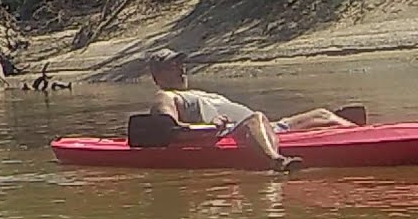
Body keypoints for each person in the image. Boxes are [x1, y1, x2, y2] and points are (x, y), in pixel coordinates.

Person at [146, 48, 354, 171]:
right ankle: (276, 160)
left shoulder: (202, 93)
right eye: (172, 66)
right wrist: (206, 125)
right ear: (157, 77)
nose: (181, 69)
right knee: (256, 118)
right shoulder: (165, 96)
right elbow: (169, 129)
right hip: (235, 133)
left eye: (181, 64)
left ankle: (359, 133)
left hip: (262, 128)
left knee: (321, 114)